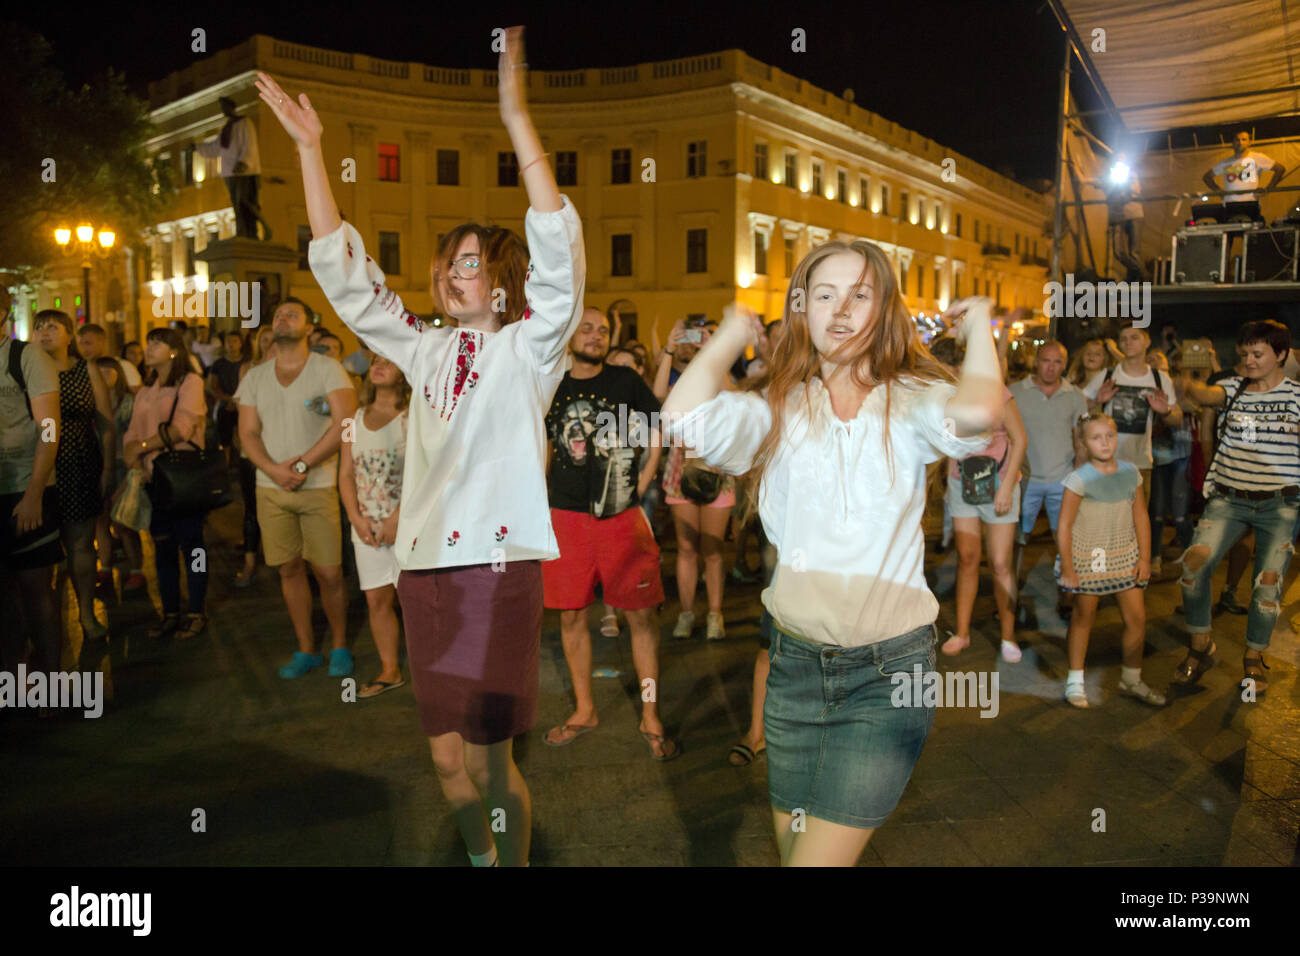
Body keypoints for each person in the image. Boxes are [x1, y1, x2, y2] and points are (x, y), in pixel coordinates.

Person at [259, 24, 584, 867]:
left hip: (498, 571)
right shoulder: (424, 347)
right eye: (446, 263)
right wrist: (311, 153)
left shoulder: (530, 345)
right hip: (425, 574)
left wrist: (516, 115)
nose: (450, 272)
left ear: (503, 281)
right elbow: (349, 283)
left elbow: (558, 252)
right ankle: (481, 856)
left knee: (489, 756)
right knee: (444, 762)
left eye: (468, 263)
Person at [662, 238, 1004, 867]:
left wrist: (981, 325)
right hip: (792, 672)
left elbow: (980, 410)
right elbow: (683, 418)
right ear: (800, 308)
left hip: (888, 676)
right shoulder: (774, 409)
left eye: (860, 294)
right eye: (824, 294)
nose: (842, 308)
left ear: (884, 312)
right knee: (794, 850)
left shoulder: (911, 401)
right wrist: (734, 330)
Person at [540, 308, 674, 758]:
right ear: (569, 334)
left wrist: (643, 481)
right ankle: (584, 709)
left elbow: (657, 432)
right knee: (572, 617)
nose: (595, 336)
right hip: (566, 518)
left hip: (621, 515)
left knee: (641, 617)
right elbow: (542, 442)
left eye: (602, 330)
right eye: (587, 328)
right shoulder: (549, 384)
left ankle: (651, 713)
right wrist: (539, 501)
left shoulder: (624, 381)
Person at [1174, 320, 1300, 696]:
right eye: (1244, 353)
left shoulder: (1296, 397)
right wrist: (1185, 377)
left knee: (1266, 589)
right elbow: (1205, 394)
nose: (1248, 360)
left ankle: (1253, 657)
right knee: (1192, 570)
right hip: (1227, 499)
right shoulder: (1233, 388)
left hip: (1279, 505)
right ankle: (1202, 647)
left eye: (1257, 353)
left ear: (1280, 354)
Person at [235, 297, 357, 678]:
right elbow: (248, 433)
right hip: (270, 488)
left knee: (329, 572)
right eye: (277, 315)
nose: (282, 319)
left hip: (317, 484)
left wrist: (303, 464)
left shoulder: (328, 369)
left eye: (292, 314)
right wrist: (273, 470)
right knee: (288, 569)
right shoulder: (255, 376)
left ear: (308, 327)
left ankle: (338, 645)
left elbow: (345, 424)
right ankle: (306, 648)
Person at [1056, 412, 1164, 708]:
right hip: (1090, 557)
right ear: (1084, 442)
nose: (1104, 443)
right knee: (1084, 616)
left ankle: (1132, 677)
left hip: (1124, 554)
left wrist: (1144, 557)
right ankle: (1075, 681)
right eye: (1095, 438)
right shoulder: (1078, 479)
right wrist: (1068, 567)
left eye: (1109, 436)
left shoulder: (1131, 472)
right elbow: (1064, 525)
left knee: (1137, 617)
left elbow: (1140, 516)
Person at [939, 345, 1027, 663]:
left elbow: (1020, 439)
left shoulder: (995, 392)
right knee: (967, 558)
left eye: (954, 368)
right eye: (946, 370)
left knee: (1001, 563)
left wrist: (1006, 486)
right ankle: (962, 633)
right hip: (962, 482)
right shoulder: (943, 396)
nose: (952, 375)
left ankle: (1008, 635)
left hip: (999, 484)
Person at [123, 328, 210, 640]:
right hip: (154, 480)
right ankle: (170, 612)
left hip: (183, 479)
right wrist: (133, 456)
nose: (149, 348)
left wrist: (142, 448)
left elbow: (182, 428)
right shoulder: (147, 390)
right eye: (148, 342)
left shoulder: (190, 382)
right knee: (162, 549)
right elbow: (131, 432)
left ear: (174, 351)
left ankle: (197, 610)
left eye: (157, 343)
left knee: (193, 547)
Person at [34, 310, 114, 643]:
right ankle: (46, 621)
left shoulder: (85, 370)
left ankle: (84, 611)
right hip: (40, 466)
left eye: (53, 326)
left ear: (69, 335)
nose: (44, 333)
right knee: (42, 550)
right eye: (39, 327)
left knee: (81, 544)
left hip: (79, 462)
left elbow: (106, 423)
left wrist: (108, 467)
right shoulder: (29, 371)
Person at [0, 298, 64, 694]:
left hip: (25, 488)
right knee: (3, 596)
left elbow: (49, 428)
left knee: (35, 590)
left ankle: (51, 682)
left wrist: (35, 493)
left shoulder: (26, 356)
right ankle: (14, 680)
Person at [656, 319, 734, 640]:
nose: (692, 343)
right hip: (680, 474)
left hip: (716, 472)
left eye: (696, 338)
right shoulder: (678, 386)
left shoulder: (717, 382)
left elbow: (732, 395)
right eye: (687, 338)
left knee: (713, 551)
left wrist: (714, 352)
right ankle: (687, 614)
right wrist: (668, 349)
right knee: (687, 549)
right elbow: (658, 393)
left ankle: (715, 615)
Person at [338, 355, 409, 698]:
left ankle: (435, 671)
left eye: (389, 362)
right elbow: (346, 474)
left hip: (407, 528)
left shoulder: (414, 419)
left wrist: (396, 520)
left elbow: (424, 476)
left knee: (418, 602)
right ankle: (390, 670)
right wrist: (356, 518)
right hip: (366, 528)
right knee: (377, 601)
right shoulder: (353, 420)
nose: (379, 366)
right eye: (376, 361)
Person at [1083, 322, 1181, 501]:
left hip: (1141, 464)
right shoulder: (1108, 375)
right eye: (1123, 339)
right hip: (1107, 462)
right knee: (1106, 520)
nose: (1128, 343)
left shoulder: (1160, 379)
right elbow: (1076, 408)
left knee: (1138, 522)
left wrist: (1165, 412)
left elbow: (1177, 419)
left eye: (1134, 337)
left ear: (1147, 341)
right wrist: (1097, 401)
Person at [93, 356, 146, 595]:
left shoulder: (129, 402)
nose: (104, 377)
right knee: (101, 520)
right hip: (97, 464)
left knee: (124, 522)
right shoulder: (91, 402)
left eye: (108, 372)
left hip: (123, 465)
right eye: (99, 372)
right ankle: (104, 566)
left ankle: (136, 571)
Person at [232, 326, 277, 589]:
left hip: (281, 450)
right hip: (252, 449)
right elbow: (243, 411)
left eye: (275, 341)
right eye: (266, 341)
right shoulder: (250, 370)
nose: (270, 345)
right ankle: (250, 564)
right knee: (252, 508)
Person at [1147, 346, 1194, 577]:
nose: (1155, 364)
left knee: (1180, 512)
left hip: (1181, 454)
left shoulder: (1180, 386)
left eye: (1160, 361)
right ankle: (1154, 556)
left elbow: (1193, 408)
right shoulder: (1145, 388)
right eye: (1151, 361)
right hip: (1157, 455)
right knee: (1156, 510)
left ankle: (1193, 556)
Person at [197, 96, 272, 240]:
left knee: (245, 201)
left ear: (231, 108)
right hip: (229, 173)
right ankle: (242, 231)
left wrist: (244, 162)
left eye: (224, 107)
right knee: (236, 204)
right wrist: (197, 147)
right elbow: (216, 148)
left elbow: (249, 144)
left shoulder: (244, 123)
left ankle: (255, 230)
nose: (223, 110)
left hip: (243, 172)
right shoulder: (227, 128)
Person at [1201, 130, 1286, 208]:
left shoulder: (1257, 157)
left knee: (1252, 224)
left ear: (1249, 142)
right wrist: (1218, 191)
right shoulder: (1225, 162)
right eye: (1237, 140)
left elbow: (1280, 169)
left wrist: (1267, 189)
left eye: (1244, 139)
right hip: (1230, 203)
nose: (1240, 142)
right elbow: (1207, 177)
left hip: (1251, 202)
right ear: (1233, 143)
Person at [208, 332, 246, 468]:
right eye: (228, 341)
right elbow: (212, 386)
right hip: (224, 404)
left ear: (240, 343)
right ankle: (225, 467)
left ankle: (244, 466)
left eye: (235, 341)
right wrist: (227, 398)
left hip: (244, 405)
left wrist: (237, 401)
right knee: (225, 440)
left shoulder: (246, 363)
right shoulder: (219, 364)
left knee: (244, 437)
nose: (231, 345)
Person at [77, 323, 142, 394]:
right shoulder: (79, 369)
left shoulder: (125, 367)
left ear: (102, 342)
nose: (83, 348)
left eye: (88, 343)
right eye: (80, 344)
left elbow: (135, 398)